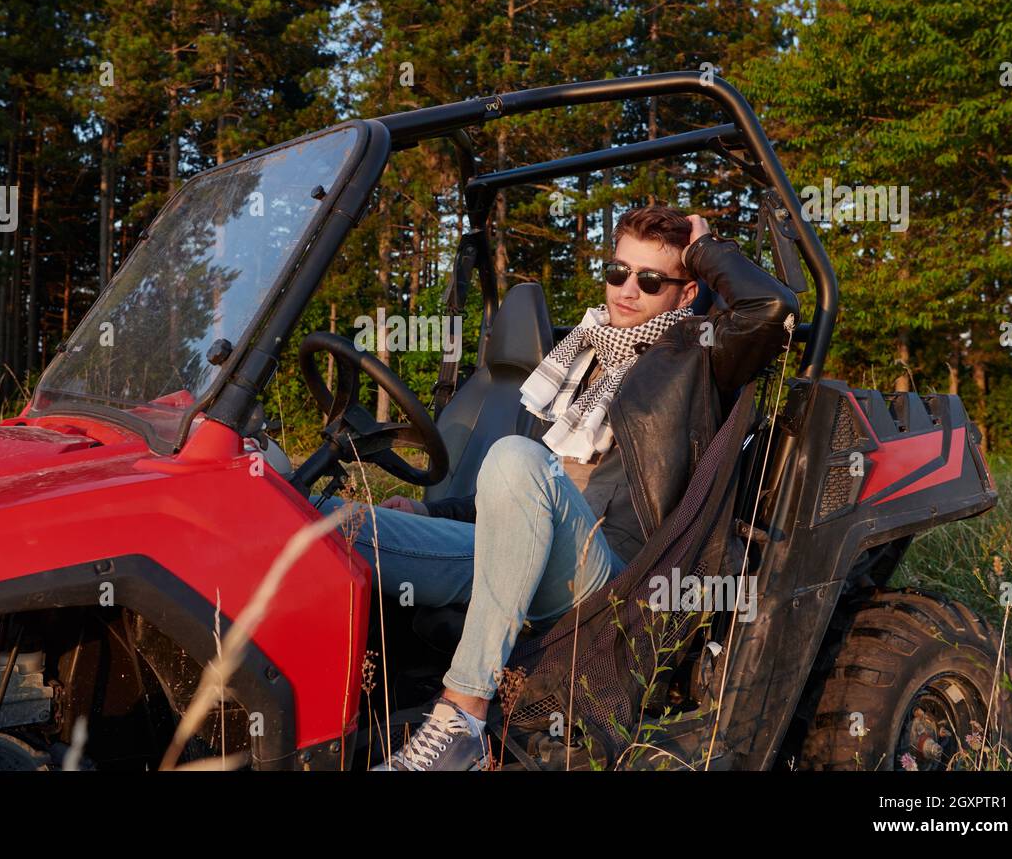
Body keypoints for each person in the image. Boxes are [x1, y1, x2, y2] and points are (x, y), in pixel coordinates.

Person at [323, 205, 798, 770]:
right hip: (530, 558)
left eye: (650, 280)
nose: (627, 290)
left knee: (514, 455)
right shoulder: (579, 359)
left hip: (615, 584)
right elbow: (519, 504)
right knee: (327, 519)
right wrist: (433, 515)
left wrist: (703, 246)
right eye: (618, 272)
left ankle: (461, 721)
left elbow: (771, 310)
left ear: (687, 292)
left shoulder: (699, 357)